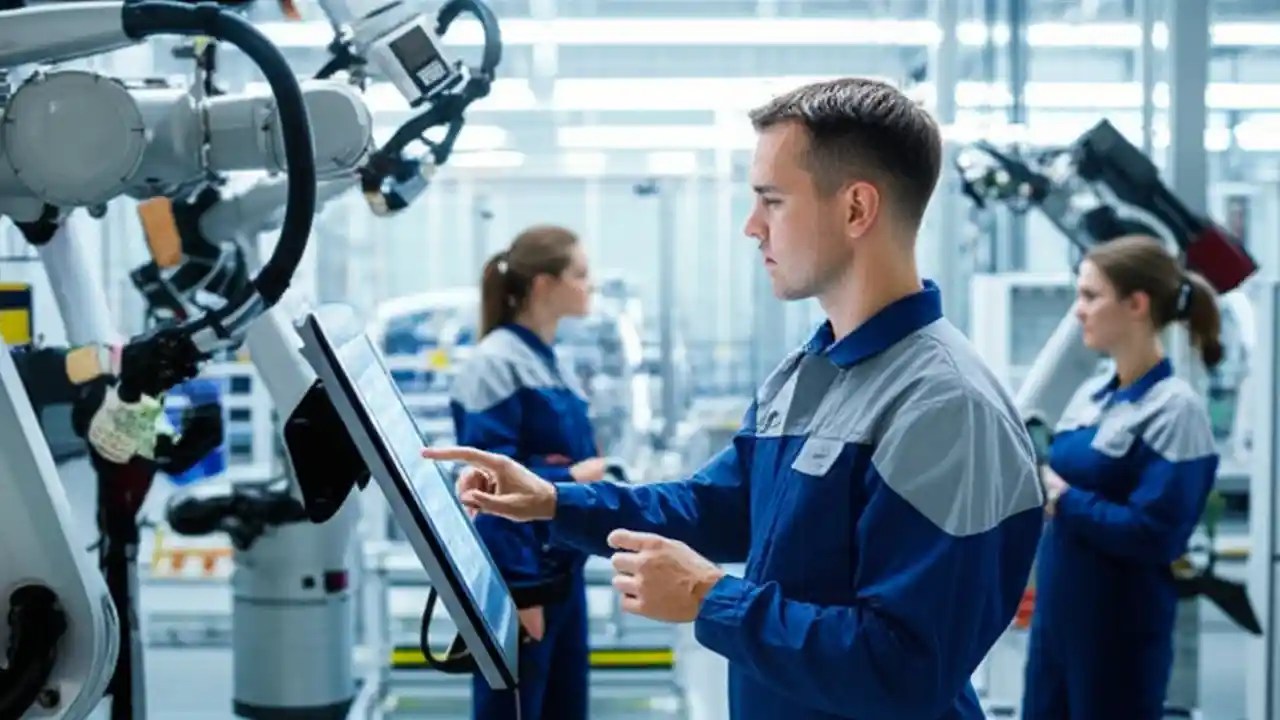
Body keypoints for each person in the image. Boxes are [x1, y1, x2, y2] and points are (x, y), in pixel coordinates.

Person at [428, 77, 1046, 720]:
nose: (751, 227)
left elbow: (905, 666)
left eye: (771, 201)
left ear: (857, 209)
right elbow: (715, 506)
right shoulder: (808, 373)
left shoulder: (945, 407)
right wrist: (553, 502)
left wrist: (708, 597)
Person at [1021, 235, 1221, 720]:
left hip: (1119, 638)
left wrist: (1064, 499)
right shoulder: (1091, 395)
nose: (1078, 311)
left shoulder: (1176, 410)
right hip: (1056, 628)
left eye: (1091, 296)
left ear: (1136, 304)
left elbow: (1156, 534)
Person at [447, 224, 607, 720]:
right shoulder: (495, 363)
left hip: (563, 571)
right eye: (579, 274)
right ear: (544, 284)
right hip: (523, 578)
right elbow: (490, 488)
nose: (590, 285)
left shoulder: (547, 360)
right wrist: (520, 592)